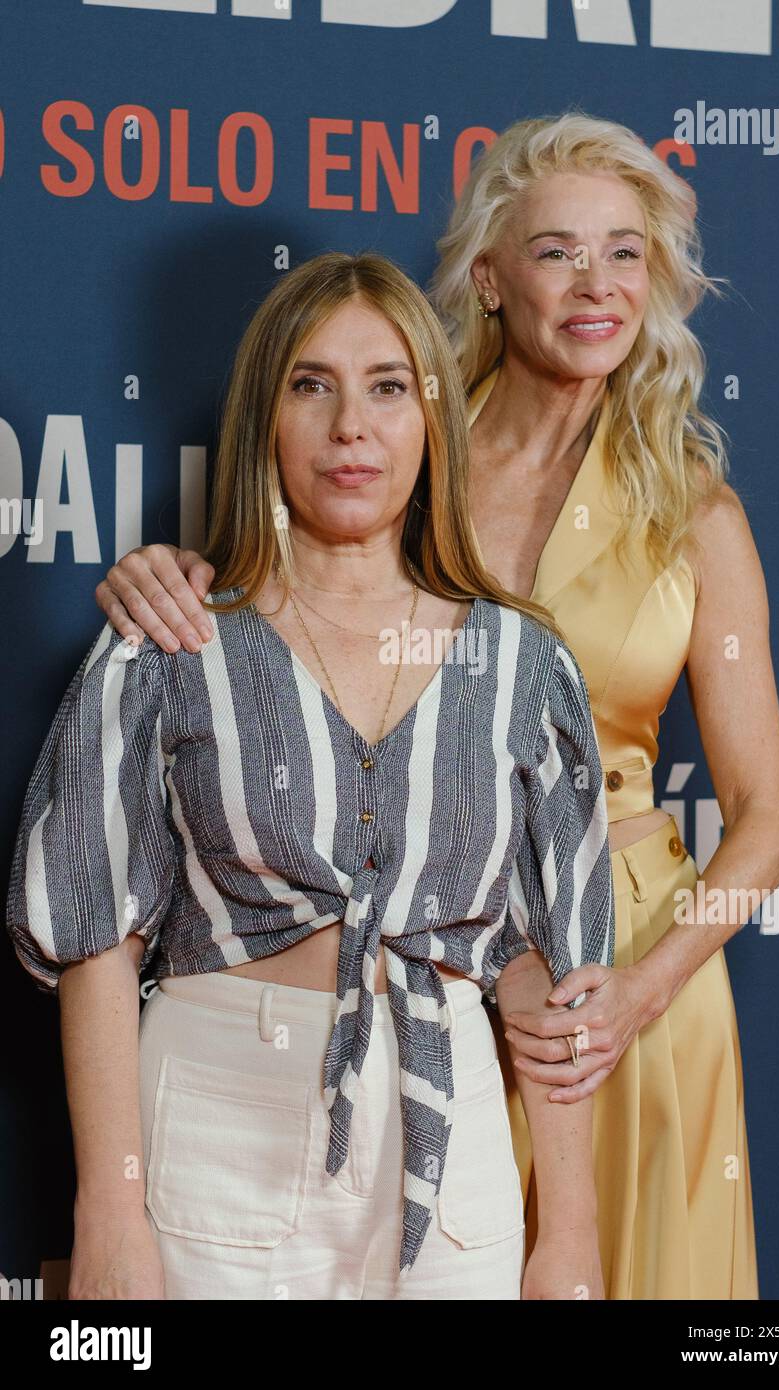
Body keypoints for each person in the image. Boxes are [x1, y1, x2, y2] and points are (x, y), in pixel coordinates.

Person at [90, 112, 779, 1299]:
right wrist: (157, 575)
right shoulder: (400, 444)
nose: (595, 285)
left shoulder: (693, 514)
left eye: (625, 253)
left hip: (622, 975)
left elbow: (765, 823)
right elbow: (286, 607)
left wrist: (643, 988)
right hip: (439, 957)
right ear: (488, 276)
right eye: (558, 250)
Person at [6, 251, 615, 1301]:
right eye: (310, 384)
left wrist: (568, 1234)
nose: (351, 426)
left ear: (431, 419)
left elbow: (556, 982)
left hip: (455, 1141)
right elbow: (96, 940)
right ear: (262, 419)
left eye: (388, 386)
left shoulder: (523, 665)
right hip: (216, 1131)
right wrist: (108, 1209)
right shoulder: (168, 639)